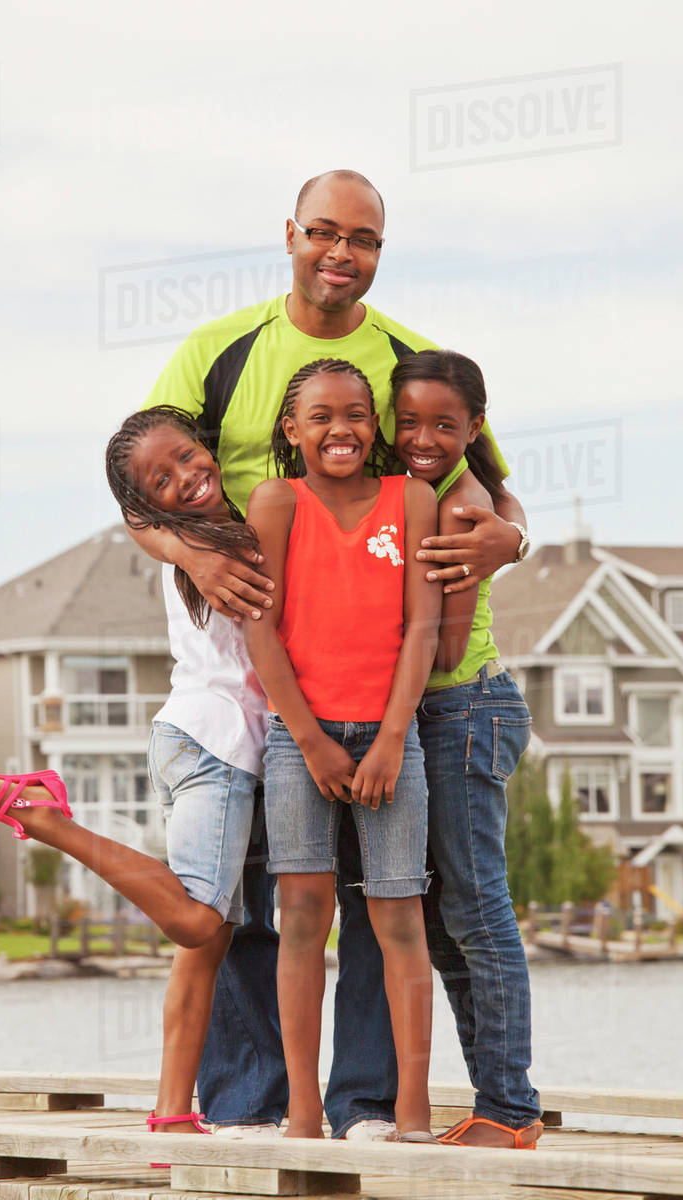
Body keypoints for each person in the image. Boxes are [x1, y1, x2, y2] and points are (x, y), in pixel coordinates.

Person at [131, 168, 531, 1140]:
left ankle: (364, 1102)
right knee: (259, 899)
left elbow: (488, 480)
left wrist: (508, 539)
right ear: (289, 235)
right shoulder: (218, 352)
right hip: (251, 677)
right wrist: (190, 550)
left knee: (380, 899)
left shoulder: (401, 355)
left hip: (376, 667)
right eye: (322, 232)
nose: (340, 252)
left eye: (363, 238)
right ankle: (254, 1103)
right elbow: (141, 480)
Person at [0, 404, 272, 1153]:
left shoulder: (198, 536)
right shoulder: (206, 545)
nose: (189, 477)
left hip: (201, 742)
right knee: (194, 921)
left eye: (190, 456)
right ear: (144, 508)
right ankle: (53, 820)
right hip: (215, 743)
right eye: (164, 478)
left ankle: (171, 1110)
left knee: (208, 942)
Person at [244, 357, 439, 1142]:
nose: (342, 429)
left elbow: (422, 627)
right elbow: (258, 627)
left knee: (399, 917)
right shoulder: (275, 502)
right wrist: (311, 740)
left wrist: (392, 738)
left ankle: (414, 1113)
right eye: (321, 416)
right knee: (301, 916)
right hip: (303, 741)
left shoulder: (412, 499)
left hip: (394, 737)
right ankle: (301, 1111)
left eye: (357, 413)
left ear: (375, 423)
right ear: (292, 431)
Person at [391, 349, 542, 1149]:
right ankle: (494, 1100)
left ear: (474, 428)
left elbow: (445, 653)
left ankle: (512, 1110)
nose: (422, 437)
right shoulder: (427, 492)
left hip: (464, 709)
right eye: (408, 421)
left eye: (442, 425)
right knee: (447, 925)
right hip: (442, 715)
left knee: (478, 914)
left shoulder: (459, 506)